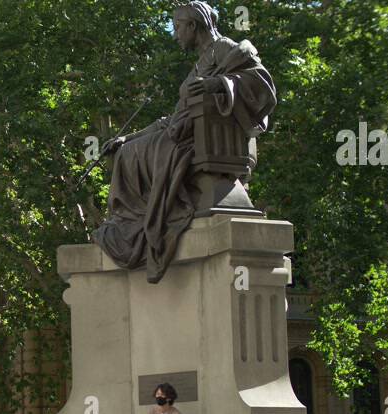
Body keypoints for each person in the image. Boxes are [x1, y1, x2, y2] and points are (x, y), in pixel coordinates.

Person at [92, 1, 277, 283]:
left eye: (177, 27)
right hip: (179, 131)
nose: (175, 34)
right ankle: (128, 222)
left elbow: (261, 82)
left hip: (203, 139)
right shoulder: (200, 61)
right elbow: (173, 118)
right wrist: (128, 136)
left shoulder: (226, 48)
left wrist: (217, 85)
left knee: (146, 154)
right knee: (126, 152)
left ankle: (142, 220)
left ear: (193, 25)